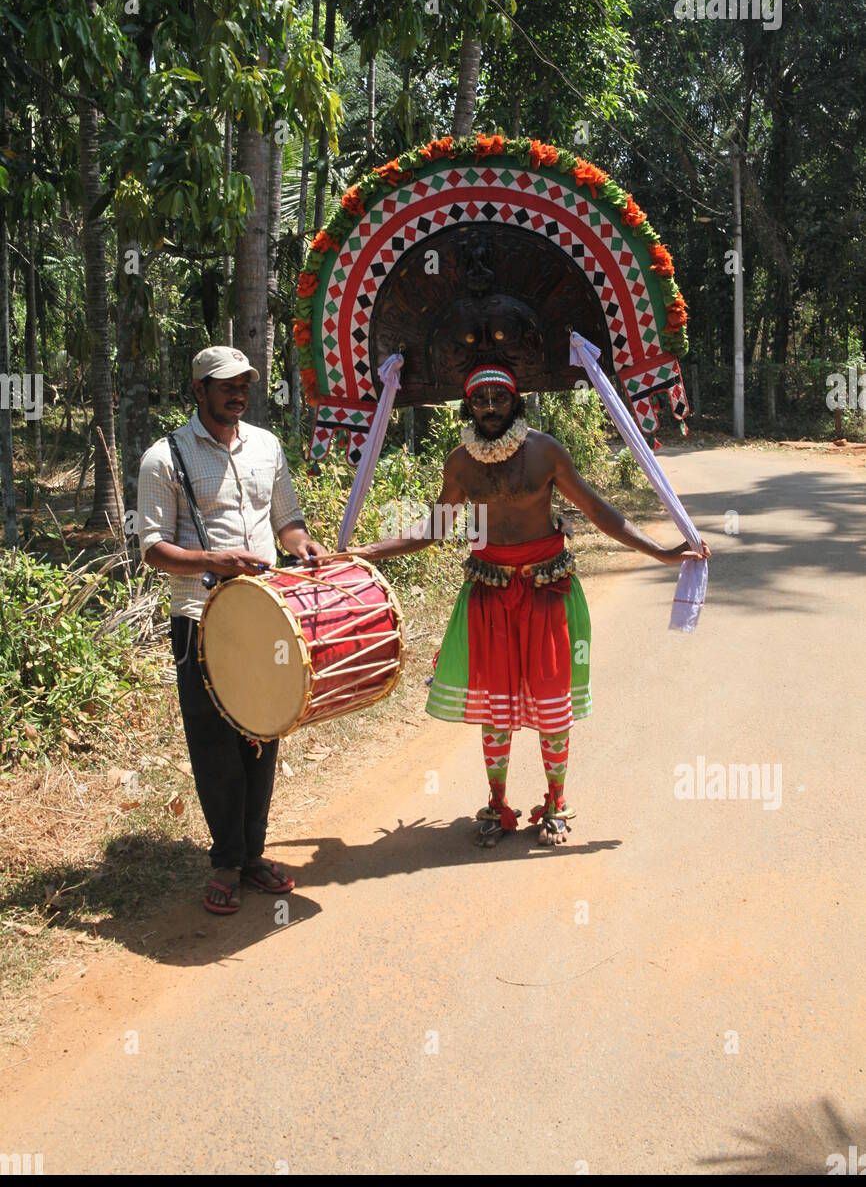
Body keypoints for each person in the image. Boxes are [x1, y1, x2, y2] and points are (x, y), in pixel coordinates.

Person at [349, 363, 710, 847]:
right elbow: (434, 529)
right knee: (496, 708)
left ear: (516, 401)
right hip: (489, 592)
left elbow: (598, 511)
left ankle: (556, 804)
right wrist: (369, 550)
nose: (492, 408)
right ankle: (497, 806)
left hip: (547, 590)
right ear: (468, 405)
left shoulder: (545, 452)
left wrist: (662, 552)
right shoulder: (459, 463)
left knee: (550, 702)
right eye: (481, 400)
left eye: (500, 399)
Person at [137, 346, 327, 912]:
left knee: (263, 734)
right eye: (224, 385)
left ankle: (252, 855)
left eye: (244, 383)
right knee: (215, 744)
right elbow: (153, 549)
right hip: (201, 623)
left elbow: (287, 522)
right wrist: (212, 561)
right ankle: (225, 859)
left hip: (268, 617)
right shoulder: (163, 458)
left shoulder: (267, 447)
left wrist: (302, 545)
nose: (237, 392)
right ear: (197, 390)